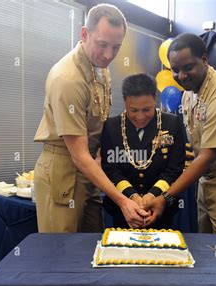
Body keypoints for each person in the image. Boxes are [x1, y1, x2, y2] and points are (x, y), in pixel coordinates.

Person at [33, 4, 148, 233]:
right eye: (102, 44)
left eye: (116, 47)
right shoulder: (68, 79)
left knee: (93, 248)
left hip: (89, 169)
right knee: (63, 254)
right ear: (84, 34)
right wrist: (123, 200)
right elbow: (78, 155)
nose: (108, 55)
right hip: (64, 168)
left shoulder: (99, 67)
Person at [146, 33, 216, 235]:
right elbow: (193, 149)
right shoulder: (189, 95)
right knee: (208, 249)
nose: (181, 76)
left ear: (205, 60)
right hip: (206, 181)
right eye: (175, 70)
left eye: (188, 67)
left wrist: (166, 198)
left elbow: (207, 156)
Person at [101, 74, 185, 228]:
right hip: (122, 209)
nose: (140, 117)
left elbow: (175, 167)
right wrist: (131, 195)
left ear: (155, 99)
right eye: (133, 110)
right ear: (125, 102)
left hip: (163, 206)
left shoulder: (172, 123)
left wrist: (152, 194)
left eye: (147, 109)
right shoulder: (111, 127)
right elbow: (110, 168)